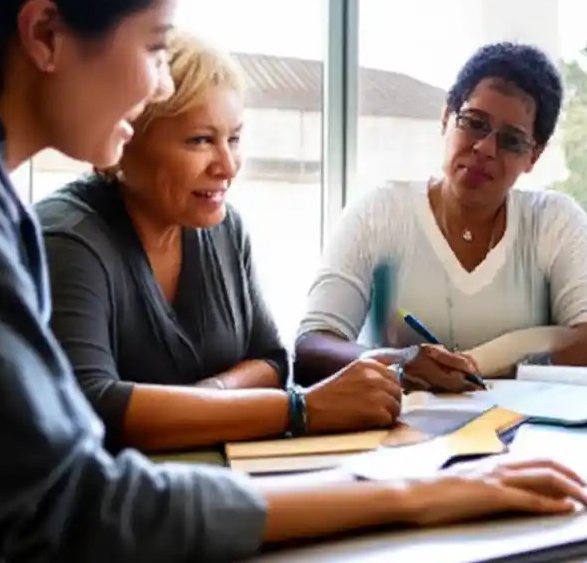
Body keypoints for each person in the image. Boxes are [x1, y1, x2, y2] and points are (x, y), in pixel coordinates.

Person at [0, 0, 587, 560]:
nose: (160, 86)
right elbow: (70, 504)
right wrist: (414, 493)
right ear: (45, 35)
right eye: (155, 47)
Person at [38, 32, 403, 453]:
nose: (228, 167)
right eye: (200, 140)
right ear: (125, 137)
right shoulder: (68, 239)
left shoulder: (224, 228)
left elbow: (271, 360)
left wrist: (209, 397)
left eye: (233, 139)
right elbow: (92, 407)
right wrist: (300, 410)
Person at [293, 42, 587, 389]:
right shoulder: (378, 214)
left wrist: (488, 359)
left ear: (533, 157)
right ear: (446, 117)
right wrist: (398, 362)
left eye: (511, 141)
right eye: (474, 123)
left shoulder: (555, 221)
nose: (485, 148)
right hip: (401, 421)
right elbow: (311, 347)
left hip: (527, 422)